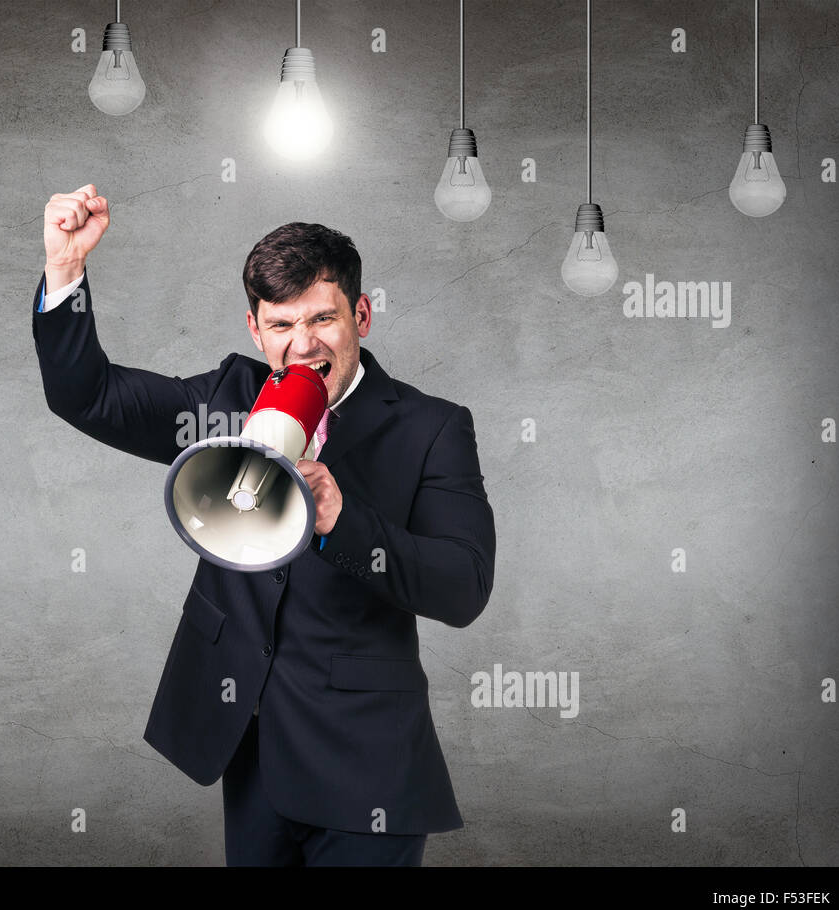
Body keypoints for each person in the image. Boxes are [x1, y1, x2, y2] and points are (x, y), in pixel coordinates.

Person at [32, 185, 496, 866]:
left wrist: (346, 523)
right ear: (255, 330)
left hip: (367, 767)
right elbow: (88, 395)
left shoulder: (431, 427)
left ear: (361, 315)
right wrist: (65, 268)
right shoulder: (225, 400)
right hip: (249, 756)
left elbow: (464, 588)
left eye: (322, 320)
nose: (302, 344)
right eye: (281, 325)